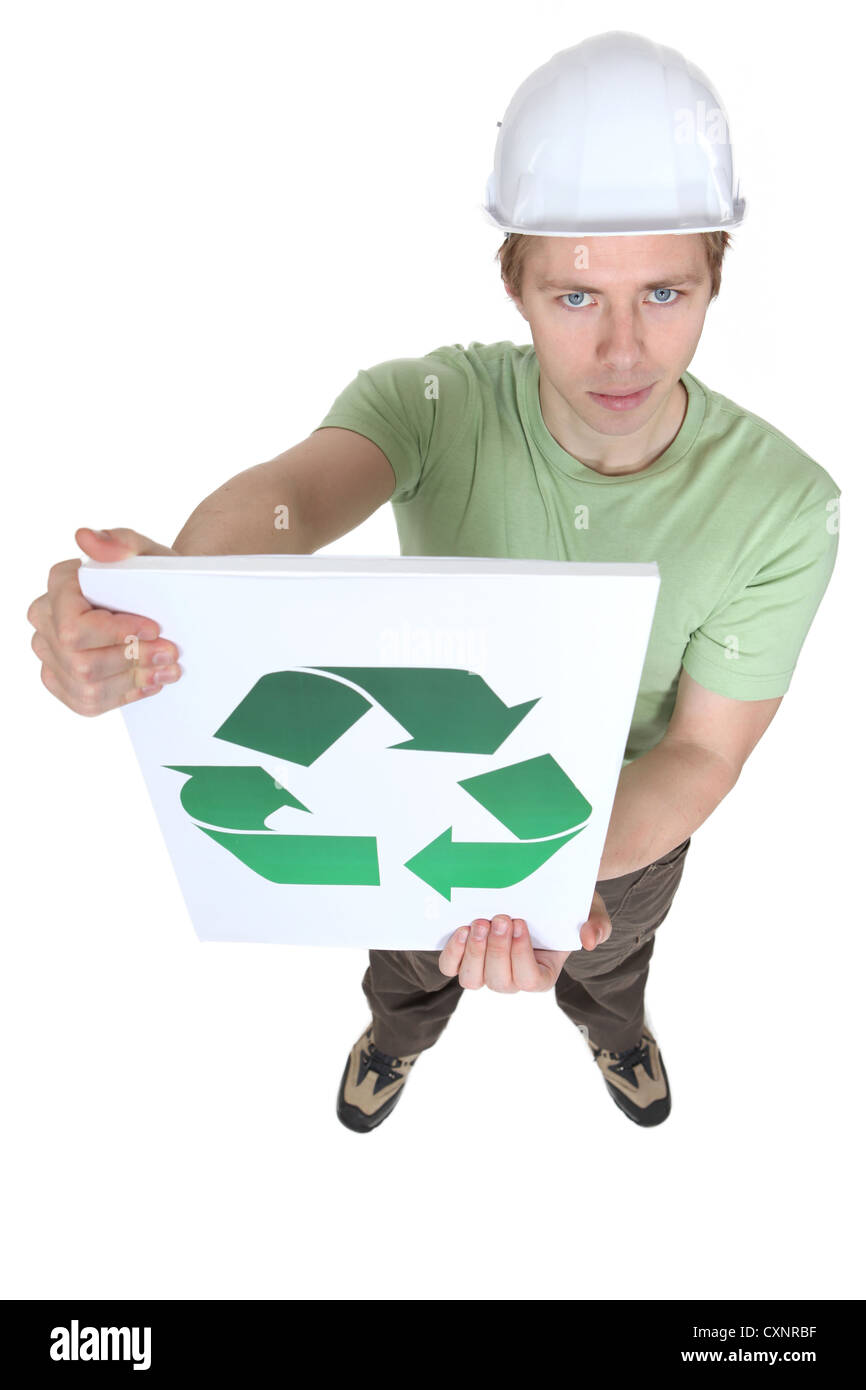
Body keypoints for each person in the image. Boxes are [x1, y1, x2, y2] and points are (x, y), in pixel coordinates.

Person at [26, 33, 840, 1134]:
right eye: (571, 296)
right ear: (512, 281)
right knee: (408, 973)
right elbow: (287, 502)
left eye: (661, 291)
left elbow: (700, 751)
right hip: (401, 806)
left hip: (620, 827)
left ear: (712, 280)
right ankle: (395, 1040)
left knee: (612, 963)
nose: (618, 351)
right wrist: (177, 594)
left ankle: (613, 1031)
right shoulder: (430, 402)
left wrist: (545, 875)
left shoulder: (783, 504)